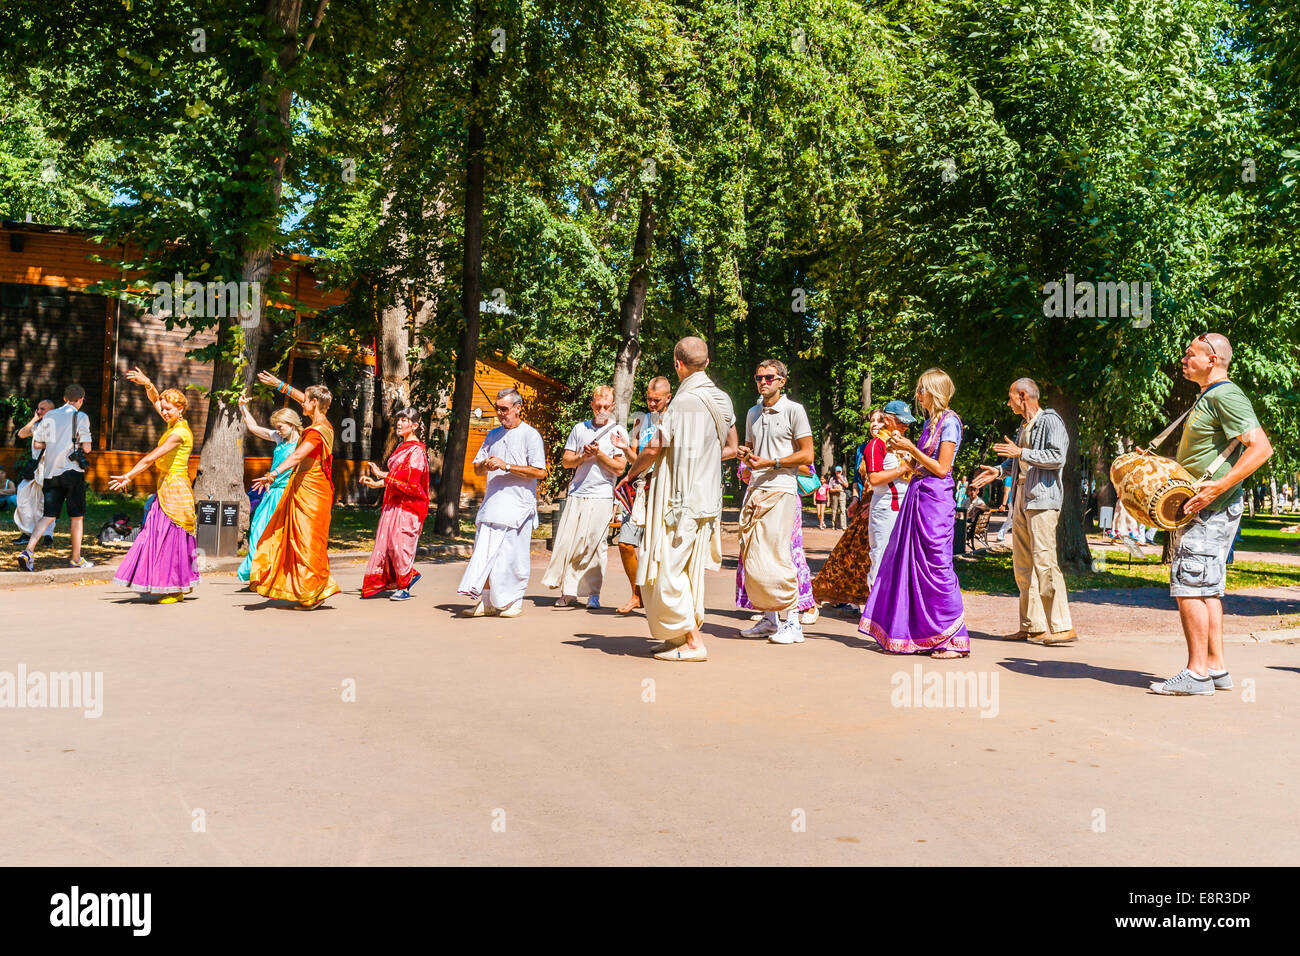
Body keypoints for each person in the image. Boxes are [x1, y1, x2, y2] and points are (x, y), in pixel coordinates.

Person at [1150, 333, 1272, 696]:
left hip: (1210, 508)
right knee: (1207, 589)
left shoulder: (1227, 395)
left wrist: (1218, 487)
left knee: (1189, 585)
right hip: (1210, 507)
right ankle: (1215, 668)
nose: (1184, 360)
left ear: (1213, 359)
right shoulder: (1210, 396)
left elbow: (1261, 447)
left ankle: (1196, 673)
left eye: (1191, 355)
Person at [619, 336, 738, 662]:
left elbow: (655, 448)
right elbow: (728, 445)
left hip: (677, 499)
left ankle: (693, 640)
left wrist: (631, 475)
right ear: (708, 362)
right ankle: (675, 638)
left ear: (677, 364)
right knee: (687, 571)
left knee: (668, 568)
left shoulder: (683, 404)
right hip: (706, 498)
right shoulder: (723, 399)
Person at [859, 368, 969, 658]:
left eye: (921, 390)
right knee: (913, 567)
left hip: (936, 500)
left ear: (933, 392)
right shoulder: (928, 424)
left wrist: (911, 449)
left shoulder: (950, 422)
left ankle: (954, 637)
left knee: (937, 567)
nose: (918, 396)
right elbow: (922, 465)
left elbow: (943, 468)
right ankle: (923, 635)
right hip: (918, 497)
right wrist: (907, 454)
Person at [971, 378, 1076, 644]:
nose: (1008, 403)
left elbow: (1057, 457)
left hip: (1043, 499)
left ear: (1022, 395)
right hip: (1021, 497)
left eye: (1010, 398)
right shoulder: (1024, 425)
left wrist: (1022, 452)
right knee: (1022, 565)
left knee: (1045, 561)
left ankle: (1063, 626)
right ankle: (1032, 625)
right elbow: (1017, 458)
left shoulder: (1050, 420)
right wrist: (999, 470)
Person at [735, 358, 814, 645]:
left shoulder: (794, 411)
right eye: (759, 378)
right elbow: (753, 450)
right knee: (755, 556)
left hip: (781, 489)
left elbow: (807, 456)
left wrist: (775, 462)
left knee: (779, 555)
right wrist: (746, 454)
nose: (763, 382)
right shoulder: (752, 412)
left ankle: (793, 621)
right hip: (755, 488)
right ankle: (769, 619)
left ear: (782, 381)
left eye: (769, 377)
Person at [249, 372, 340, 608]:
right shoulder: (320, 422)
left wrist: (272, 474)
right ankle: (308, 588)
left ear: (315, 404)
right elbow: (306, 397)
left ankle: (312, 592)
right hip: (304, 485)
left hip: (312, 489)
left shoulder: (316, 432)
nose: (302, 403)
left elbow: (298, 455)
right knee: (296, 539)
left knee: (307, 541)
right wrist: (280, 385)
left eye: (306, 401)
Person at [108, 369, 200, 602]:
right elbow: (155, 400)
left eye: (169, 409)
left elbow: (150, 458)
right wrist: (148, 383)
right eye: (164, 408)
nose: (164, 411)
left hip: (176, 488)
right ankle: (173, 585)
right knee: (157, 534)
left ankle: (174, 587)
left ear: (180, 409)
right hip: (166, 487)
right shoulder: (174, 423)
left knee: (171, 537)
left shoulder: (179, 433)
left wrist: (128, 475)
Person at [457, 388, 548, 618]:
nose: (500, 413)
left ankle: (513, 600)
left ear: (518, 408)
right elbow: (477, 468)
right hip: (492, 505)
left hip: (518, 507)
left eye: (504, 409)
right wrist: (485, 464)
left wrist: (507, 466)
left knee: (512, 556)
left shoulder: (530, 435)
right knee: (484, 553)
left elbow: (540, 472)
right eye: (497, 409)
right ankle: (486, 601)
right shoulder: (493, 435)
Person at [542, 385, 628, 609]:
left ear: (612, 407)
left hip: (601, 495)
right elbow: (566, 461)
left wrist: (599, 455)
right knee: (570, 542)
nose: (601, 409)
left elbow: (620, 469)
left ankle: (593, 593)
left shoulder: (618, 432)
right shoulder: (580, 429)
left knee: (595, 545)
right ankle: (568, 592)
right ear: (592, 405)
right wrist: (583, 456)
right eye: (598, 405)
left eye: (606, 406)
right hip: (578, 493)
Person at [610, 377, 673, 614]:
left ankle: (659, 597)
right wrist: (625, 449)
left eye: (656, 399)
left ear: (668, 397)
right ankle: (636, 595)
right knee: (626, 543)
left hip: (662, 487)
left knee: (659, 548)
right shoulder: (640, 421)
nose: (651, 403)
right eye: (648, 398)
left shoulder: (672, 421)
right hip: (637, 486)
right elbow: (635, 458)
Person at [18, 384, 94, 571]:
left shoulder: (50, 416)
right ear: (81, 399)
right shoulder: (81, 416)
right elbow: (87, 448)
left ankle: (28, 551)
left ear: (64, 398)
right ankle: (76, 558)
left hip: (51, 473)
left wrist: (55, 443)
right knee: (77, 516)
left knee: (48, 515)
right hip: (72, 472)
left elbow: (37, 443)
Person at [360, 408, 430, 600]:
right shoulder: (401, 448)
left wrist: (383, 474)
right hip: (393, 502)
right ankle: (406, 577)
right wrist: (376, 483)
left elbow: (411, 479)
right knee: (389, 545)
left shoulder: (416, 450)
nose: (399, 423)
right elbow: (396, 479)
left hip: (409, 505)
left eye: (404, 420)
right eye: (398, 419)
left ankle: (405, 587)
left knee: (401, 545)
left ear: (414, 426)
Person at [236, 397, 301, 584]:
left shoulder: (302, 443)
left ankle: (276, 573)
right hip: (272, 492)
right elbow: (254, 428)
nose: (278, 430)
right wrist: (242, 407)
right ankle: (257, 571)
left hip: (288, 493)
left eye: (280, 426)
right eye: (277, 427)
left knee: (280, 534)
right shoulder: (279, 438)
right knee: (258, 528)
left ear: (292, 424)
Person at [862, 401, 916, 588]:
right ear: (887, 420)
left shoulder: (902, 443)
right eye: (901, 421)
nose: (905, 426)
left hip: (905, 507)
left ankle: (893, 608)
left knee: (902, 558)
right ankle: (874, 610)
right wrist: (903, 468)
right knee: (881, 555)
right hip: (886, 507)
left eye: (907, 422)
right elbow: (874, 479)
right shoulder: (876, 445)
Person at [12, 399, 56, 547]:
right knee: (24, 497)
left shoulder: (56, 426)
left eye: (42, 409)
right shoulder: (36, 426)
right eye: (38, 408)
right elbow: (21, 434)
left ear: (51, 411)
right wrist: (34, 419)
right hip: (34, 469)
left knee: (46, 503)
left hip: (49, 469)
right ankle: (26, 532)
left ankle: (48, 535)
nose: (39, 411)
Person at [827, 464, 849, 530]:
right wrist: (836, 490)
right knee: (834, 510)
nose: (838, 473)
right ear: (835, 472)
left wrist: (841, 479)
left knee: (843, 510)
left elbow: (847, 486)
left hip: (842, 494)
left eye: (840, 471)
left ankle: (844, 526)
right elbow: (830, 489)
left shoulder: (844, 477)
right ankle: (834, 525)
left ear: (841, 471)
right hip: (834, 495)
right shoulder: (832, 479)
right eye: (837, 471)